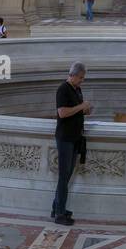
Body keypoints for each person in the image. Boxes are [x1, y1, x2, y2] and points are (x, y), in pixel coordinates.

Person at [52, 61, 91, 225]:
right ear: (73, 75)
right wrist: (81, 106)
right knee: (63, 176)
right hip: (65, 138)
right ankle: (60, 214)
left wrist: (86, 109)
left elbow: (77, 111)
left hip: (75, 138)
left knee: (67, 176)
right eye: (81, 77)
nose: (82, 80)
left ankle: (56, 208)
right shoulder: (63, 89)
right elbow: (62, 112)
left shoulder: (77, 89)